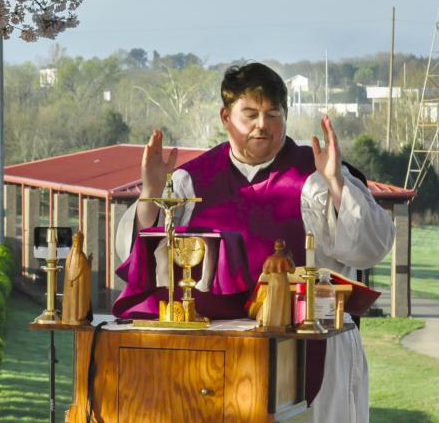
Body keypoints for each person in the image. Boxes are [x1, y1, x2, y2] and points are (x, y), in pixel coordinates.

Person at [113, 62, 394, 423]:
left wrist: (338, 185)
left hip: (312, 350)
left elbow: (370, 247)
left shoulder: (318, 175)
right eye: (251, 114)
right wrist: (151, 193)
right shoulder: (190, 181)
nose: (263, 125)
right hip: (218, 360)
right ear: (226, 117)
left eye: (273, 114)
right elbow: (134, 258)